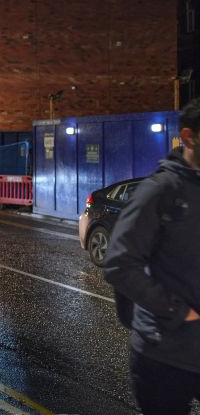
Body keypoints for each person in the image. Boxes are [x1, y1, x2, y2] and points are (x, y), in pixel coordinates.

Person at [104, 98, 200, 415]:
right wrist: (176, 310)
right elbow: (120, 264)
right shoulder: (159, 191)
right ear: (189, 137)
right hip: (165, 357)